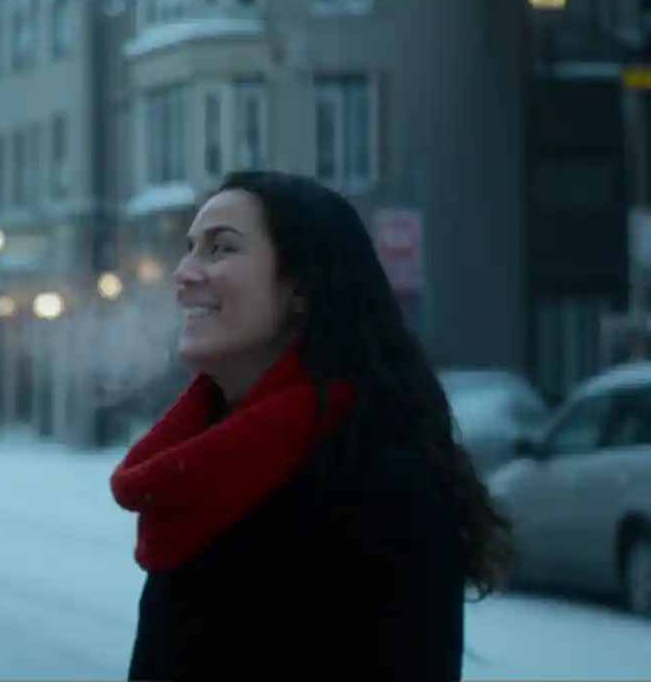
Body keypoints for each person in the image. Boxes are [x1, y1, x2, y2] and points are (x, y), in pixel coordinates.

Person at [110, 171, 511, 680]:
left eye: (220, 249)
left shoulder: (380, 488)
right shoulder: (194, 484)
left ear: (300, 287)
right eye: (190, 249)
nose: (184, 272)